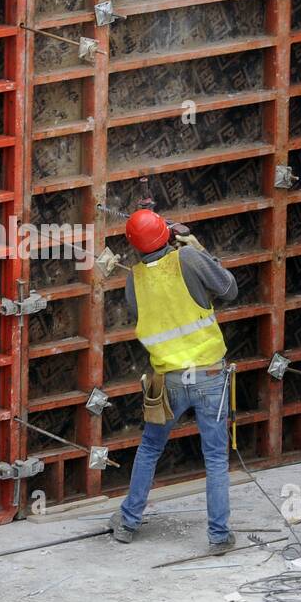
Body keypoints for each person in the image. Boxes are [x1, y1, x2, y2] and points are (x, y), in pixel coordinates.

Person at [108, 208, 239, 554]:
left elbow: (143, 317)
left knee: (150, 447)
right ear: (168, 236)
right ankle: (219, 536)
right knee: (214, 457)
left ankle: (127, 522)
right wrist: (202, 251)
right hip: (210, 374)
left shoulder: (133, 280)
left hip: (167, 379)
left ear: (135, 248)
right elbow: (229, 290)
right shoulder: (190, 258)